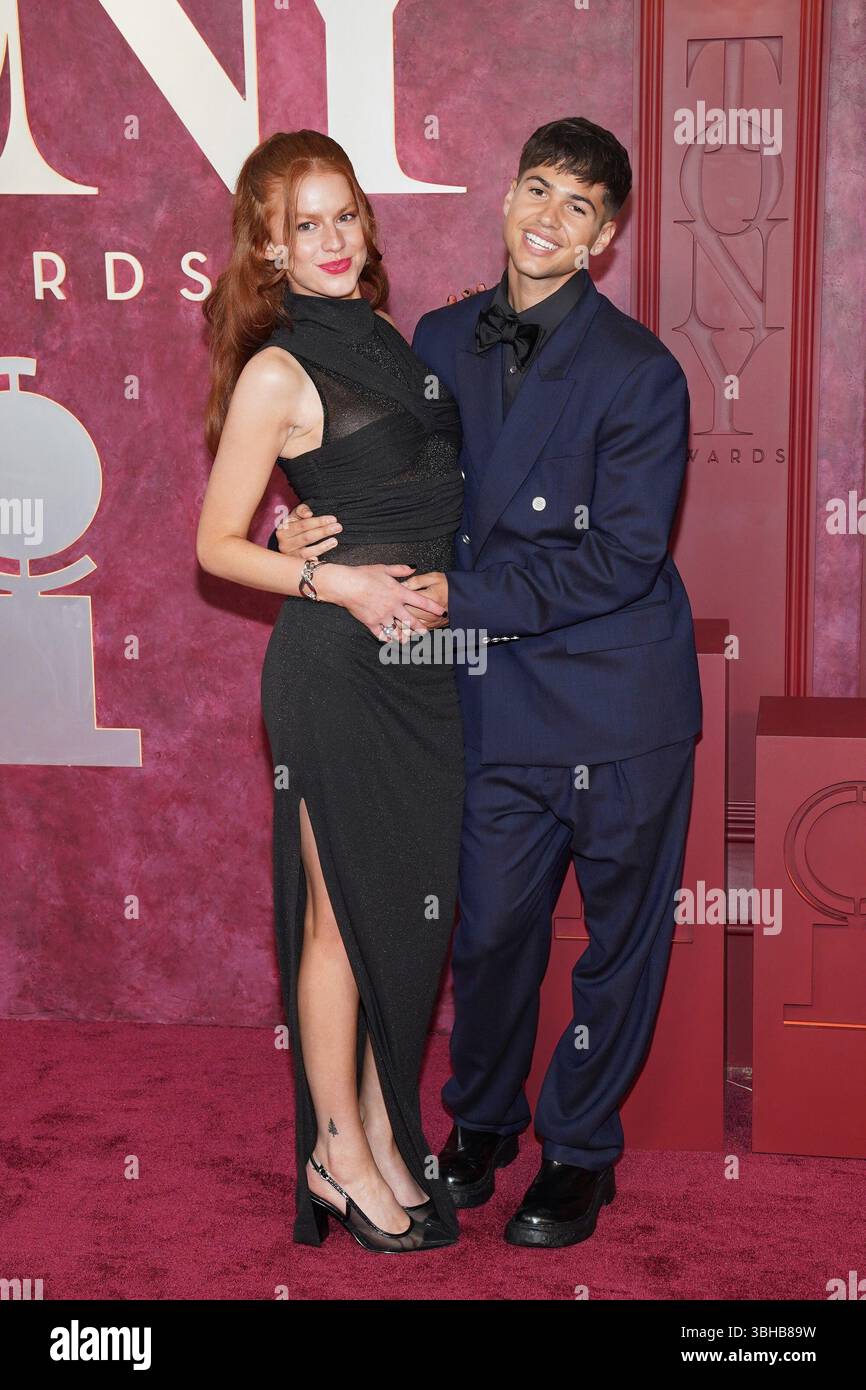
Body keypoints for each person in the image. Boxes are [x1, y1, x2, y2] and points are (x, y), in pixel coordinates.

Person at [274, 116, 702, 1249]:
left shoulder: (640, 372)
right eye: (535, 189)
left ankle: (577, 1152)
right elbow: (403, 482)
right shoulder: (436, 332)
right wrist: (311, 521)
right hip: (487, 700)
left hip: (617, 703)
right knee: (490, 929)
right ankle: (481, 1122)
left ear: (602, 238)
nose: (547, 218)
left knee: (616, 943)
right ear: (506, 198)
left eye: (577, 206)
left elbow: (620, 558)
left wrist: (463, 598)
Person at [196, 130, 465, 1252]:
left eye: (342, 213)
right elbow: (216, 544)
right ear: (267, 246)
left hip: (419, 672)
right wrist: (330, 577)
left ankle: (385, 1132)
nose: (330, 239)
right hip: (333, 669)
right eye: (302, 223)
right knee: (336, 925)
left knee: (392, 919)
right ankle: (338, 1148)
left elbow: (412, 489)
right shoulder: (275, 366)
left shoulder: (393, 341)